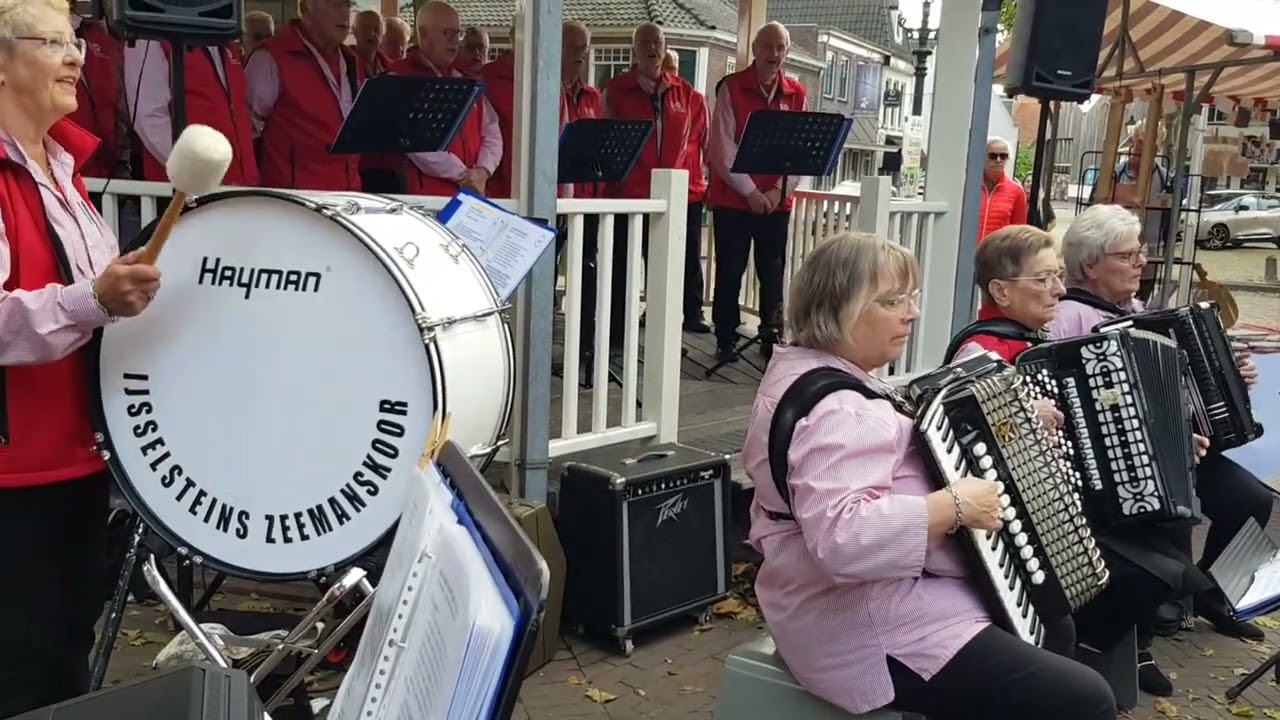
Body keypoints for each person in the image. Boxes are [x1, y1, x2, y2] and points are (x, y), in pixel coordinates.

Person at [744, 232, 1115, 720]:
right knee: (1085, 698)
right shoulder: (844, 411)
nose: (912, 314)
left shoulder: (803, 369)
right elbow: (843, 540)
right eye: (892, 301)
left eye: (911, 298)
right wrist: (954, 505)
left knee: (1055, 623)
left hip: (853, 594)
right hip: (862, 622)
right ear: (837, 309)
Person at [948, 222, 1212, 697]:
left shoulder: (1040, 345)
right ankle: (1081, 662)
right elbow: (966, 441)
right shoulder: (980, 350)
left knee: (1179, 567)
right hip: (1024, 524)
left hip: (1070, 505)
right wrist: (1021, 416)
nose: (1055, 290)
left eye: (1057, 276)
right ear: (1000, 291)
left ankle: (1098, 658)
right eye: (1043, 279)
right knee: (1159, 577)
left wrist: (1157, 449)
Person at [0, 1, 162, 714]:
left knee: (64, 642)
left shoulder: (62, 164)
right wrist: (95, 299)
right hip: (15, 470)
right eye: (55, 44)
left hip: (78, 454)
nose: (77, 58)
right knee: (23, 658)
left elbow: (92, 296)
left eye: (77, 44)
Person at [1051, 203, 1272, 673]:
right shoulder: (1066, 320)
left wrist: (1232, 376)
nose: (1142, 263)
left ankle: (1214, 596)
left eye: (1141, 252)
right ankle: (1139, 643)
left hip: (1177, 451)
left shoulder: (1138, 313)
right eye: (1128, 255)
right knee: (1170, 518)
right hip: (1112, 467)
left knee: (1251, 500)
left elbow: (1178, 386)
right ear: (1091, 265)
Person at [592, 22, 697, 352]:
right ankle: (617, 338)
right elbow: (605, 143)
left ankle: (662, 339)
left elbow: (690, 144)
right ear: (634, 49)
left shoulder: (684, 93)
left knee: (665, 273)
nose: (653, 47)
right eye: (646, 42)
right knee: (620, 269)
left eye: (659, 42)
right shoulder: (616, 90)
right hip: (627, 195)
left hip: (667, 198)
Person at [709, 21, 806, 363]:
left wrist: (777, 191)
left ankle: (771, 335)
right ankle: (725, 337)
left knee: (772, 271)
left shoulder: (797, 93)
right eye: (768, 46)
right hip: (734, 201)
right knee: (730, 270)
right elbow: (721, 148)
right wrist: (751, 191)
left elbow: (802, 151)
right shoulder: (731, 88)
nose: (774, 54)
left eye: (781, 47)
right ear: (755, 49)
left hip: (776, 204)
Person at [245, 0, 364, 191]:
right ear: (306, 8)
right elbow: (247, 135)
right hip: (294, 205)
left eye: (348, 5)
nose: (345, 13)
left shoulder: (351, 60)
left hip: (347, 198)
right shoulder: (271, 58)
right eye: (335, 4)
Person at [389, 1, 500, 197]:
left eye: (458, 33)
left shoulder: (466, 82)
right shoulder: (399, 79)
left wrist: (483, 170)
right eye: (448, 34)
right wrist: (464, 176)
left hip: (473, 196)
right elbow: (416, 144)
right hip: (426, 202)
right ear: (423, 35)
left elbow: (492, 131)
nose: (455, 41)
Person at [124, 31, 259, 186]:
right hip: (188, 190)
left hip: (239, 184)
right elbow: (149, 118)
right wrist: (196, 173)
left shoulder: (224, 38)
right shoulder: (151, 36)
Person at [664, 48, 711, 333]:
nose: (669, 71)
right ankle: (655, 309)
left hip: (690, 190)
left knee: (690, 255)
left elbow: (707, 142)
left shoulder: (694, 99)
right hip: (657, 190)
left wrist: (710, 184)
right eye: (665, 66)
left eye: (673, 66)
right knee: (653, 254)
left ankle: (692, 312)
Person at [68, 0, 129, 186]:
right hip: (60, 176)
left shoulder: (101, 36)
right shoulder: (32, 36)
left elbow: (120, 106)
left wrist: (122, 163)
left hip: (109, 180)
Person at [977, 137, 1027, 240]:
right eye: (993, 156)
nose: (998, 160)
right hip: (967, 251)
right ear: (983, 157)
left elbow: (1018, 230)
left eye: (1003, 156)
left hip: (996, 253)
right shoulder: (969, 186)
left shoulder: (1016, 191)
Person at [352, 9, 390, 76]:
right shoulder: (345, 61)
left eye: (376, 29)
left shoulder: (387, 66)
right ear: (355, 31)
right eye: (365, 28)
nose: (371, 33)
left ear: (382, 34)